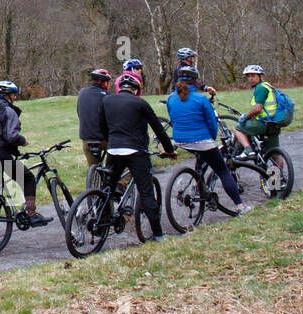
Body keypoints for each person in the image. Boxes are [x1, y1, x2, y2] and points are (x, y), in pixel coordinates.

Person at [96, 74, 177, 240]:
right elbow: (158, 128)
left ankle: (99, 225)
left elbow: (102, 126)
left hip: (113, 151)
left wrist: (111, 140)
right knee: (146, 192)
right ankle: (158, 234)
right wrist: (169, 150)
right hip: (135, 152)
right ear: (136, 90)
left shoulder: (107, 101)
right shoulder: (140, 103)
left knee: (107, 189)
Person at [166, 66, 251, 216]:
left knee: (202, 157)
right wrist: (211, 139)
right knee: (223, 170)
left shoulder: (171, 98)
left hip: (180, 140)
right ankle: (240, 206)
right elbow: (212, 124)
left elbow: (173, 118)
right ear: (195, 81)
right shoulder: (201, 99)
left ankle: (196, 185)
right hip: (201, 140)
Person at [0, 80, 49, 229]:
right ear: (10, 95)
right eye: (14, 94)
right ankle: (31, 214)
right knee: (28, 178)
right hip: (1, 153)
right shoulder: (9, 111)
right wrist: (23, 140)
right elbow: (11, 136)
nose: (15, 97)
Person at [233, 64, 281, 159]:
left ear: (260, 76)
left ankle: (248, 150)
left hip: (264, 123)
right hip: (274, 124)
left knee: (237, 128)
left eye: (253, 76)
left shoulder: (260, 88)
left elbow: (257, 109)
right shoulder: (268, 86)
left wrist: (246, 117)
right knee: (275, 154)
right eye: (249, 76)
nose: (250, 78)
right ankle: (278, 174)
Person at [77, 69, 112, 175]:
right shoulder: (108, 96)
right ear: (105, 82)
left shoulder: (82, 92)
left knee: (94, 172)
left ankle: (94, 188)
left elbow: (79, 112)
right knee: (118, 164)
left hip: (86, 139)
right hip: (105, 139)